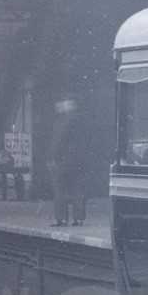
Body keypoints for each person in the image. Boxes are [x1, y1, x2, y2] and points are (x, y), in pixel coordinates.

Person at [48, 96, 86, 227]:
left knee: (60, 189)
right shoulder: (82, 120)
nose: (58, 107)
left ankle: (61, 218)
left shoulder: (63, 120)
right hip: (79, 160)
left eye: (61, 104)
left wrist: (53, 157)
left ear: (66, 105)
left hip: (63, 160)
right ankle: (79, 218)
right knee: (77, 189)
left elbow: (58, 141)